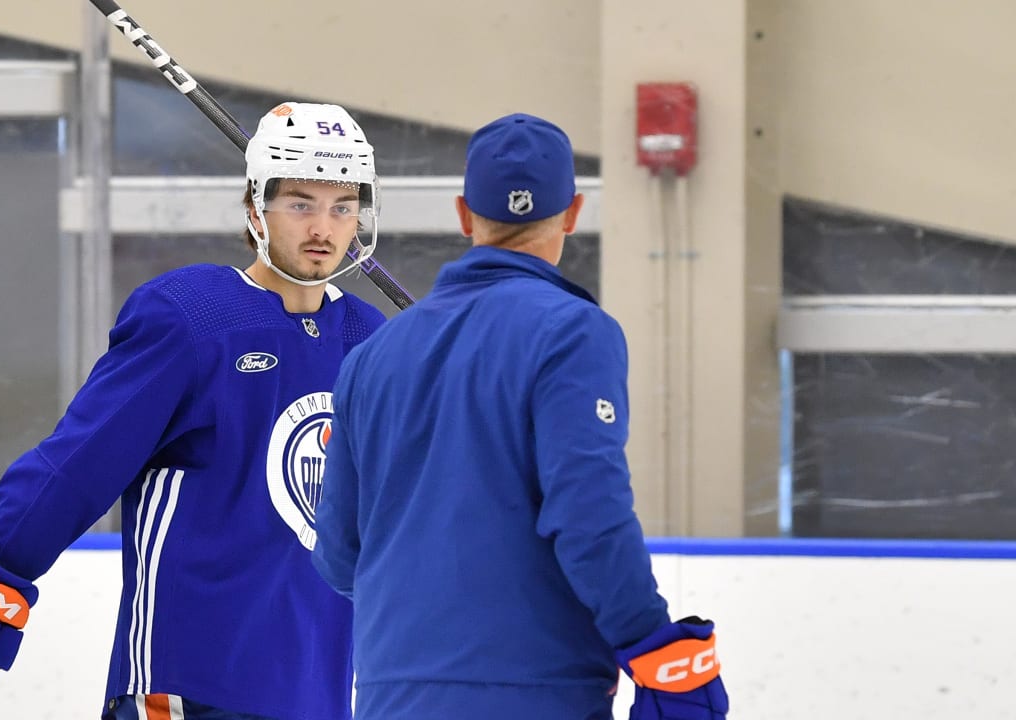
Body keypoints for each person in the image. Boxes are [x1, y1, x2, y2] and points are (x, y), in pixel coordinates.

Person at [0, 101, 388, 720]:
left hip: (318, 694)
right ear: (255, 207)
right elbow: (79, 463)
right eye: (300, 203)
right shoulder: (192, 317)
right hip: (188, 686)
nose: (323, 227)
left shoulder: (372, 341)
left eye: (342, 206)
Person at [311, 113, 729, 720]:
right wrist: (652, 643)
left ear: (463, 215)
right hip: (538, 691)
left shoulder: (370, 359)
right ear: (573, 213)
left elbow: (338, 553)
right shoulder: (574, 332)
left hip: (390, 695)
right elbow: (587, 512)